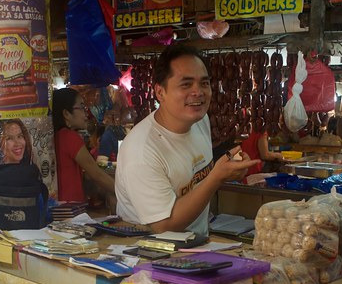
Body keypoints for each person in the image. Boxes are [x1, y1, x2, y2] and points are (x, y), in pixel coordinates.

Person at [114, 45, 259, 236]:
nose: (198, 92)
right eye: (186, 84)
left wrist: (230, 170)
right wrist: (216, 177)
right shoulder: (141, 151)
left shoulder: (200, 121)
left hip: (195, 248)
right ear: (160, 92)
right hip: (148, 255)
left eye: (204, 83)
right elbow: (164, 226)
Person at [52, 87, 115, 207]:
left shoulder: (57, 136)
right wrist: (125, 193)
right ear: (66, 113)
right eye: (81, 107)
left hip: (60, 208)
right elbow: (96, 174)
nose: (86, 113)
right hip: (72, 210)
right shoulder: (70, 137)